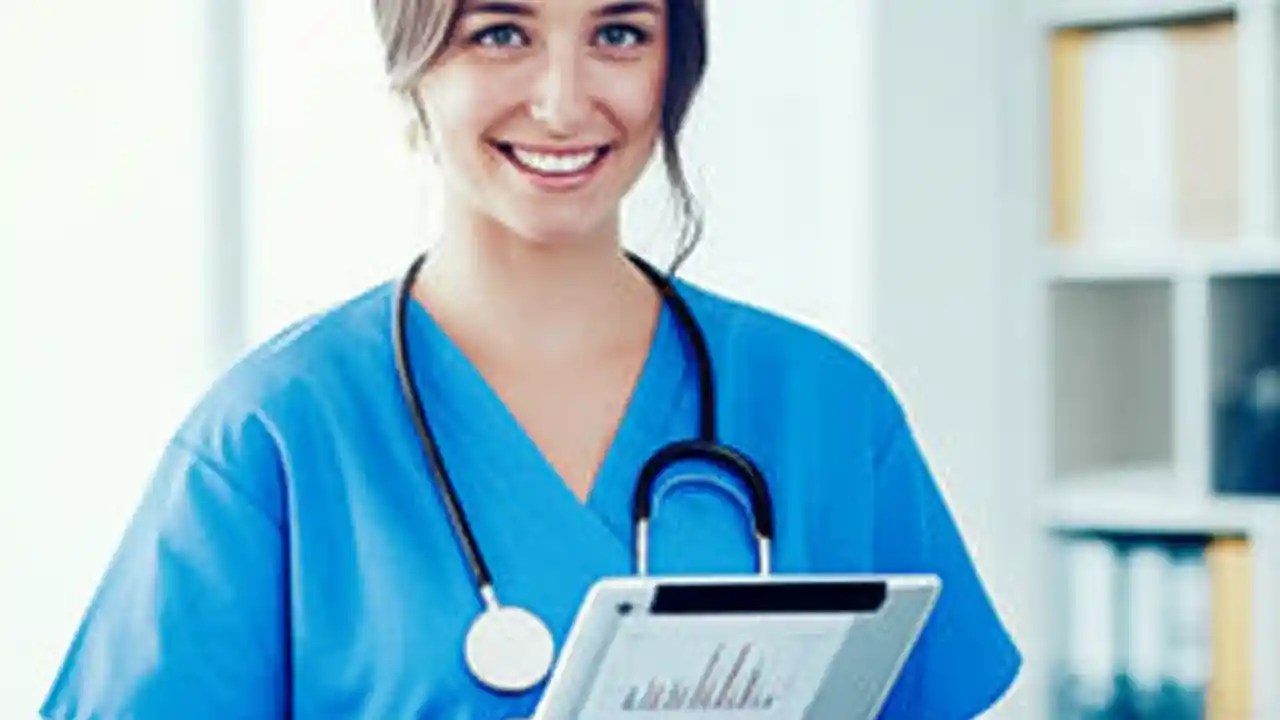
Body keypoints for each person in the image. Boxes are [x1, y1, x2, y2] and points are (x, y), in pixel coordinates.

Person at [40, 0, 1021, 717]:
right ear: (412, 57)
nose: (561, 102)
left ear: (674, 67)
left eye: (617, 35)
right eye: (499, 33)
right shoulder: (276, 434)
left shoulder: (822, 407)